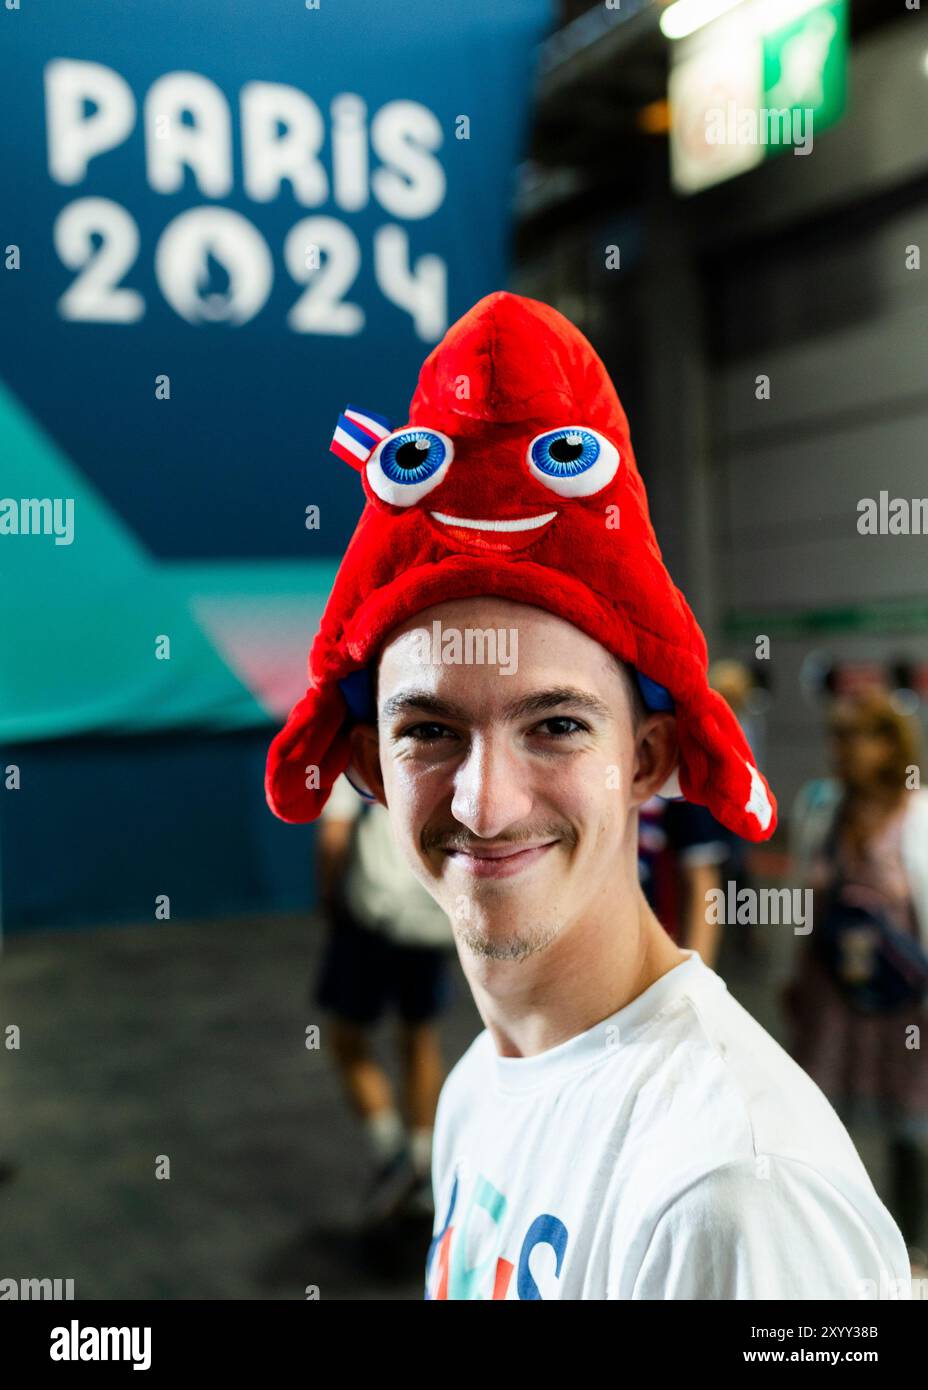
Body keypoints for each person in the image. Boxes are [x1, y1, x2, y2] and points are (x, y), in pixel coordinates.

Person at [267, 291, 911, 1299]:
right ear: (363, 765)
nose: (485, 803)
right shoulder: (483, 1087)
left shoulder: (732, 1192)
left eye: (556, 725)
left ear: (649, 762)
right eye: (429, 730)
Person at [784, 689, 928, 1277]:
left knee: (910, 1125)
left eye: (854, 737)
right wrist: (792, 977)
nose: (839, 750)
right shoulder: (823, 808)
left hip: (903, 1007)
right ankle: (836, 1248)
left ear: (890, 745)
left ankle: (913, 1251)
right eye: (835, 738)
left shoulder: (917, 814)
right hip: (832, 998)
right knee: (823, 1122)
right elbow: (801, 898)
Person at [315, 772, 455, 1228]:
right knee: (419, 1035)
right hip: (429, 917)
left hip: (367, 924)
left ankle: (391, 1151)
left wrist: (329, 902)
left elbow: (334, 840)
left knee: (346, 1039)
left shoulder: (351, 750)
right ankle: (421, 1164)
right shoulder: (440, 753)